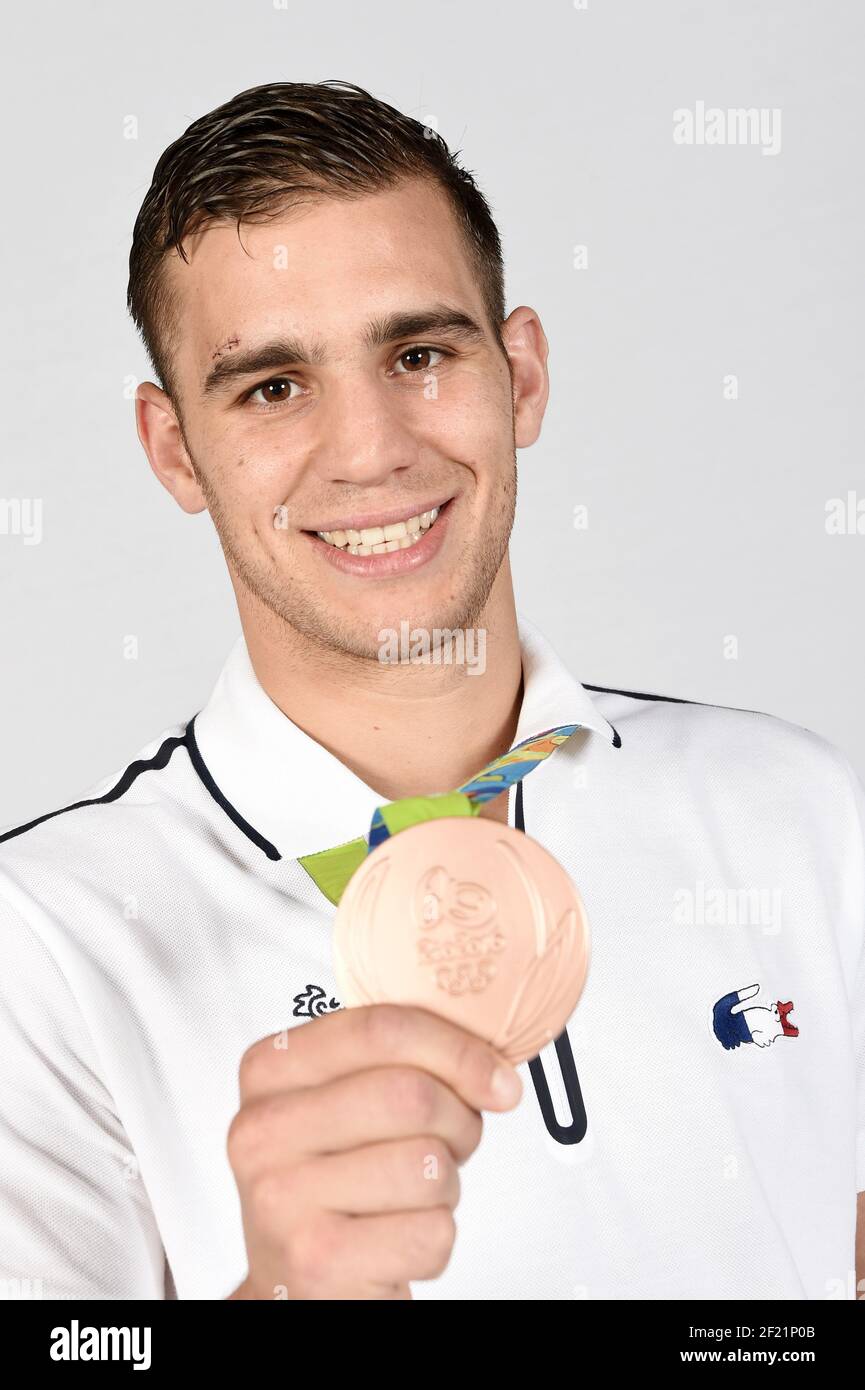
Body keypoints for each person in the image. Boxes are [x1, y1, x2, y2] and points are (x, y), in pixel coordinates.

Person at [0, 80, 862, 1302]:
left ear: (522, 374)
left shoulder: (794, 807)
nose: (372, 450)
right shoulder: (37, 947)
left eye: (419, 353)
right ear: (174, 451)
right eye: (273, 386)